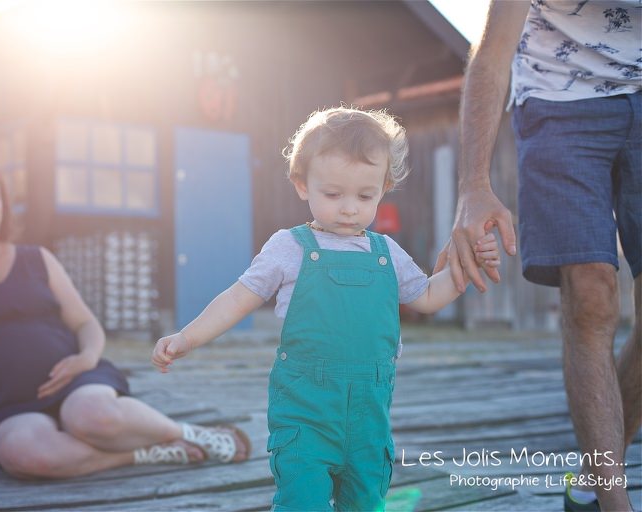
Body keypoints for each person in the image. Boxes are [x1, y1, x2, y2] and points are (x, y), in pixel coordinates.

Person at [152, 107, 501, 511]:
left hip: (368, 419)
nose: (349, 208)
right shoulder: (290, 247)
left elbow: (426, 295)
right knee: (302, 500)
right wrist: (187, 337)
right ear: (302, 184)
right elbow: (238, 297)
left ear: (384, 186)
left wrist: (468, 262)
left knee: (366, 500)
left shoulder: (386, 252)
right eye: (332, 194)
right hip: (306, 412)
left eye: (365, 195)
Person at [0, 155, 249, 479]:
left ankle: (191, 435)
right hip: (7, 404)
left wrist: (85, 358)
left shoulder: (37, 258)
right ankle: (139, 454)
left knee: (92, 417)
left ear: (3, 204)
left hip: (77, 381)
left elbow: (86, 323)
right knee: (24, 456)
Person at [439, 2, 640, 511]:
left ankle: (593, 473)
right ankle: (609, 501)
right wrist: (473, 185)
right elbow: (491, 53)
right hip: (558, 98)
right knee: (591, 291)